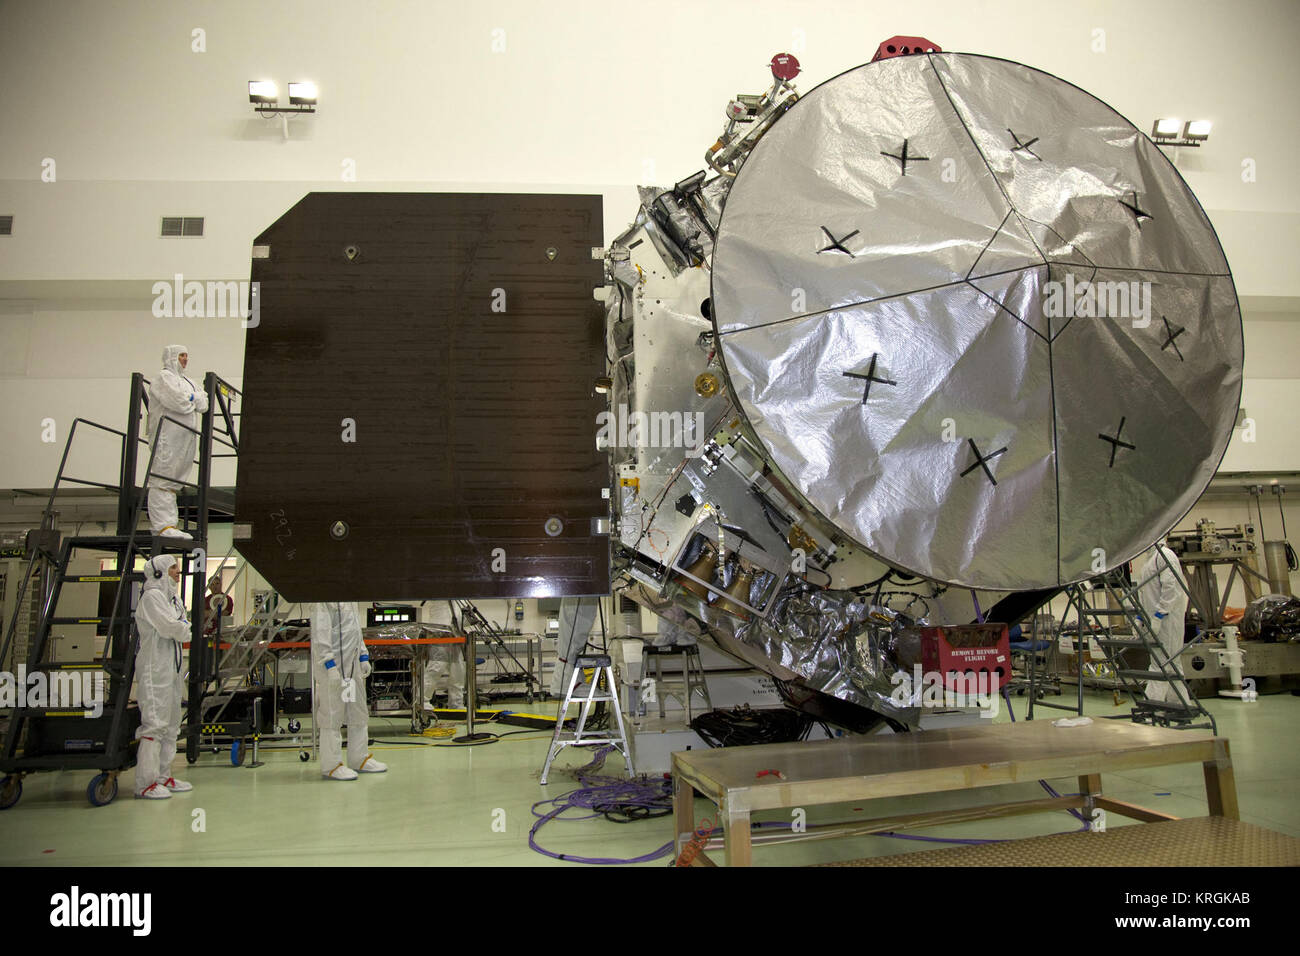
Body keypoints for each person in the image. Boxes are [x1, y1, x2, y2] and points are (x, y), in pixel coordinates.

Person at [134, 554, 193, 799]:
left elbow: (182, 625)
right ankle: (145, 783)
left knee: (171, 725)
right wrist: (181, 627)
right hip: (154, 670)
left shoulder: (172, 598)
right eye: (173, 570)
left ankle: (163, 776)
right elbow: (173, 628)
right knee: (154, 724)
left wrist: (181, 627)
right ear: (158, 572)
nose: (177, 574)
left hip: (171, 669)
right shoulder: (152, 598)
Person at [310, 602, 387, 780]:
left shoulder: (349, 597)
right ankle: (331, 765)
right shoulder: (323, 598)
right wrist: (329, 664)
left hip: (351, 667)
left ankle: (359, 758)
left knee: (357, 712)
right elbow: (320, 633)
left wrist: (363, 655)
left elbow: (355, 628)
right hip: (333, 668)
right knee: (332, 715)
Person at [146, 345, 209, 538]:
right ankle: (162, 527)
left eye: (187, 356)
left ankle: (170, 526)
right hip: (167, 437)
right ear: (172, 357)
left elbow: (204, 403)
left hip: (185, 437)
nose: (185, 359)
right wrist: (193, 399)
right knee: (162, 479)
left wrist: (192, 397)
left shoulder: (188, 381)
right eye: (181, 355)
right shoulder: (163, 378)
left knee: (174, 482)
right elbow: (179, 403)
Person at [1136, 539, 1191, 703]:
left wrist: (1160, 615)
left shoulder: (1165, 556)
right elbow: (1145, 592)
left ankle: (1152, 707)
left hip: (1168, 621)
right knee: (1172, 665)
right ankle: (1181, 706)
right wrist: (1140, 616)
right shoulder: (1148, 561)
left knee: (1161, 664)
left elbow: (1171, 589)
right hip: (1154, 620)